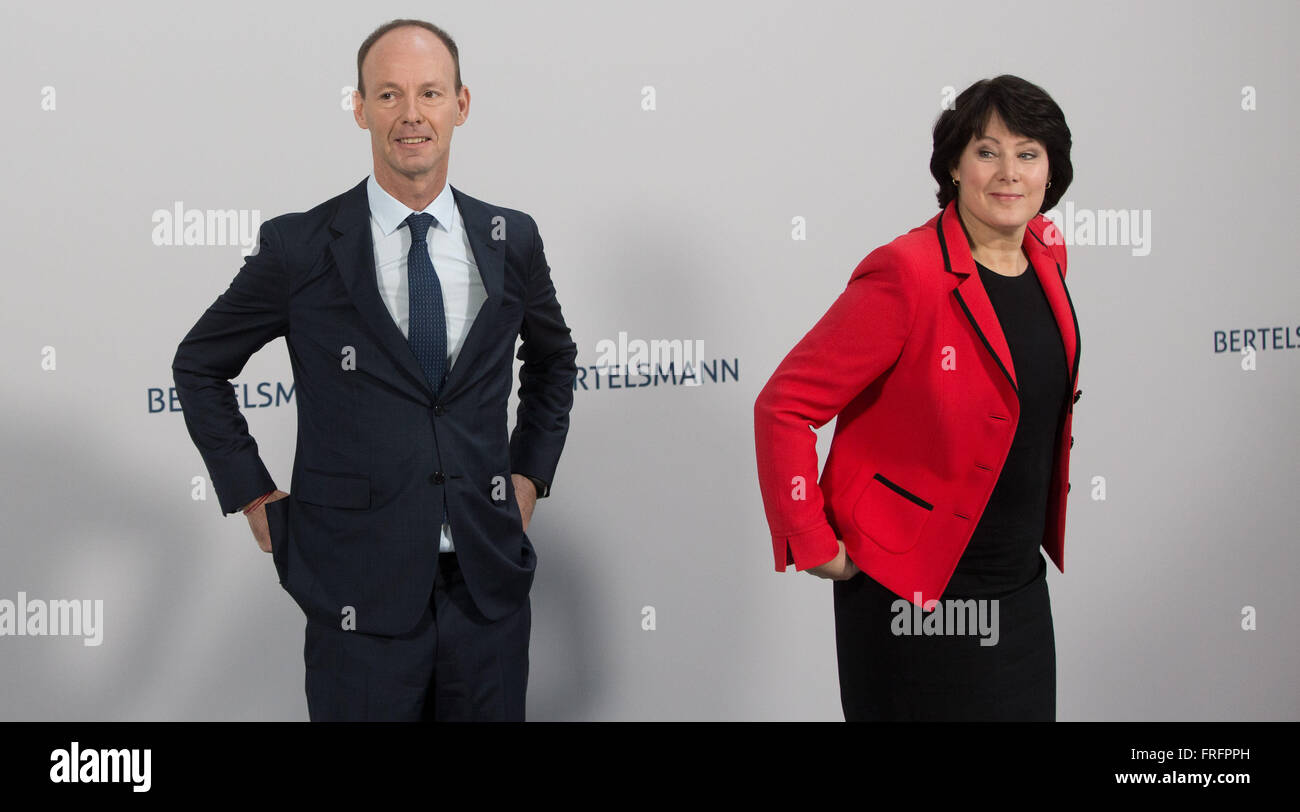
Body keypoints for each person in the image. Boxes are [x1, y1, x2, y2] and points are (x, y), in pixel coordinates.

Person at [172, 19, 577, 721]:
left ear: (462, 104)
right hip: (354, 597)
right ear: (359, 107)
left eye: (430, 93)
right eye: (389, 95)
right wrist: (252, 497)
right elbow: (199, 364)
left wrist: (529, 476)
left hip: (486, 595)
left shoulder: (511, 238)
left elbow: (553, 359)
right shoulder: (300, 247)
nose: (411, 114)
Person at [753, 75, 1081, 721]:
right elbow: (784, 405)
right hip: (916, 591)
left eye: (1029, 152)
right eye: (987, 152)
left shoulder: (1046, 253)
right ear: (954, 166)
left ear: (1052, 170)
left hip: (1017, 585)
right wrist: (810, 538)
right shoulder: (907, 273)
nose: (1008, 172)